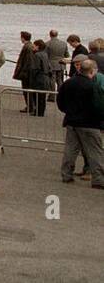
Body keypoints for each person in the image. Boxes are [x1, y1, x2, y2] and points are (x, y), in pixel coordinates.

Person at [56, 59, 104, 188]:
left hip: (72, 121)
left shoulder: (68, 83)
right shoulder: (93, 86)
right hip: (90, 123)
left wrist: (68, 111)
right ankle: (98, 179)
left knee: (70, 150)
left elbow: (60, 101)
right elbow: (99, 106)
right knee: (95, 151)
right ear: (92, 71)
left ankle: (66, 174)